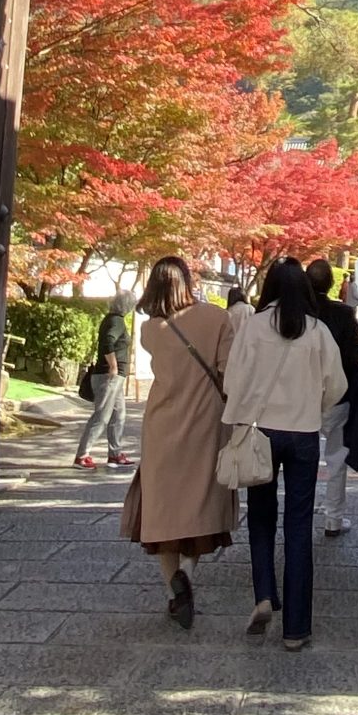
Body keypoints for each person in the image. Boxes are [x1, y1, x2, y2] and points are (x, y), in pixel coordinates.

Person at [224, 257, 346, 649]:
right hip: (303, 433)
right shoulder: (317, 331)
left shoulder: (253, 326)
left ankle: (263, 593)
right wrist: (314, 406)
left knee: (261, 516)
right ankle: (296, 627)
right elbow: (337, 384)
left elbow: (233, 380)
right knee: (298, 525)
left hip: (260, 432)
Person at [127, 255, 237, 630]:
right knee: (201, 502)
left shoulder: (150, 330)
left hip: (161, 425)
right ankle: (188, 572)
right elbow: (228, 370)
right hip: (205, 422)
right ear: (189, 280)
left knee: (163, 509)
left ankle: (175, 593)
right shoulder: (217, 318)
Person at [306, 256, 358, 537]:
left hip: (300, 396)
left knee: (301, 459)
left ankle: (300, 514)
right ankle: (333, 518)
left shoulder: (294, 313)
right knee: (336, 458)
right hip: (337, 394)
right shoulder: (343, 314)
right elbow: (354, 358)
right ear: (331, 283)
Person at [73, 292, 135, 470]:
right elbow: (108, 341)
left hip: (114, 377)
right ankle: (82, 455)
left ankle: (115, 453)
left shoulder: (113, 319)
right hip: (109, 376)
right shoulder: (116, 321)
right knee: (102, 415)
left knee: (118, 415)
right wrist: (113, 366)